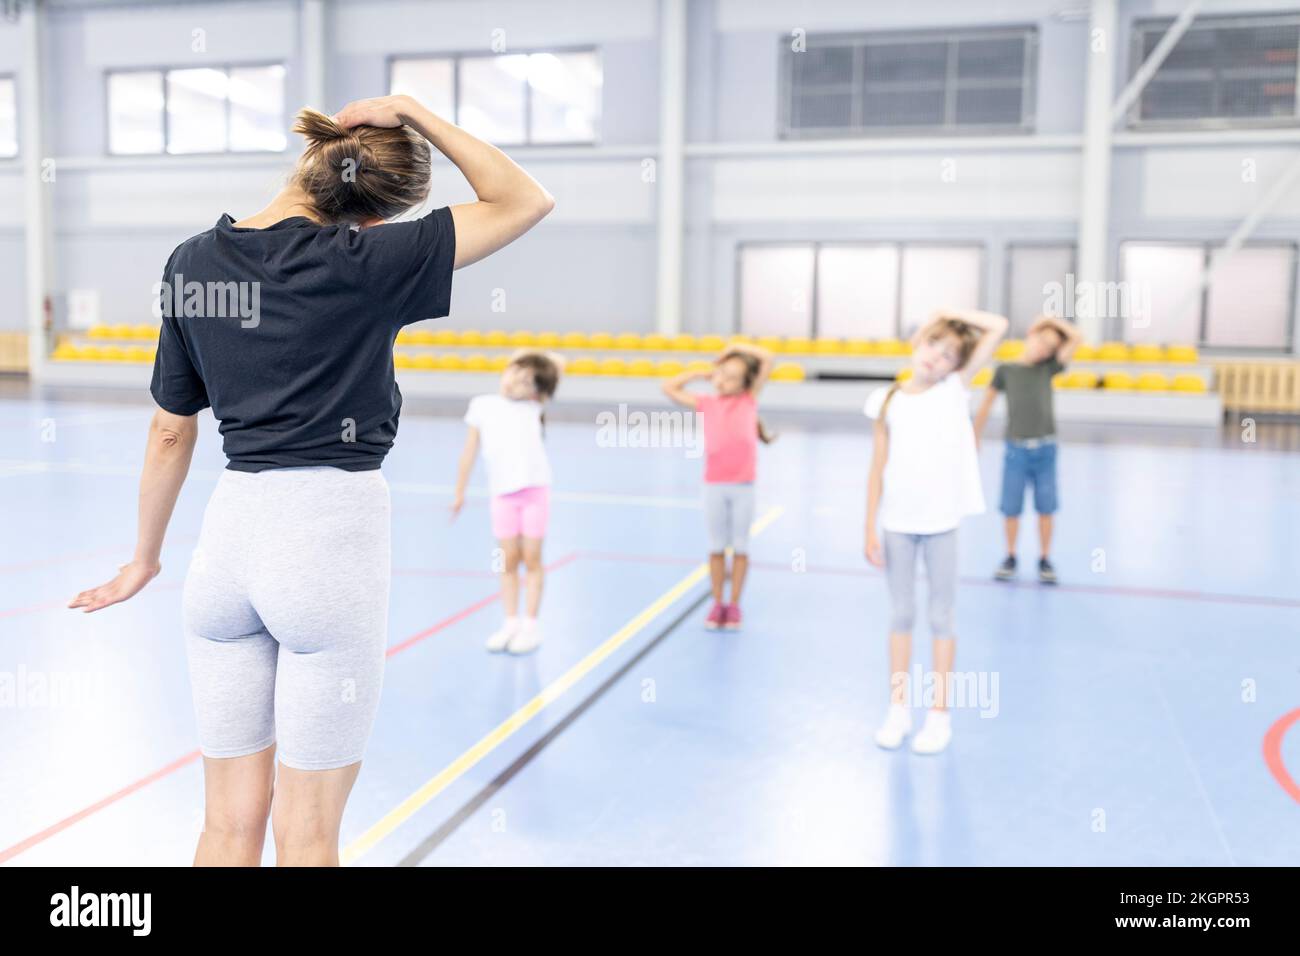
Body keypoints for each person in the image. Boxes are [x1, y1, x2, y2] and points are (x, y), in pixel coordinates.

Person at [68, 94, 554, 866]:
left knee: (226, 827)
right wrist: (416, 112)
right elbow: (524, 198)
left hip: (224, 552)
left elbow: (169, 430)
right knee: (308, 835)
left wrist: (143, 557)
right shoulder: (368, 262)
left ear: (312, 159)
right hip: (331, 543)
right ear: (371, 217)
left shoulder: (191, 262)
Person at [864, 309, 1008, 754]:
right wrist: (869, 524)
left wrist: (948, 313)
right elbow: (877, 466)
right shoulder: (887, 399)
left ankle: (939, 716)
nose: (937, 358)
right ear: (917, 342)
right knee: (901, 615)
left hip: (941, 523)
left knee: (942, 617)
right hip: (897, 524)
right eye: (933, 344)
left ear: (955, 367)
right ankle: (898, 710)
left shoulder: (953, 391)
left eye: (949, 356)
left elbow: (998, 326)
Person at [450, 350, 562, 654]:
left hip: (535, 492)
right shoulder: (482, 406)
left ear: (536, 390)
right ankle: (510, 622)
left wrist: (535, 366)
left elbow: (556, 365)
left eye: (526, 381)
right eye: (514, 373)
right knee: (508, 560)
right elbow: (469, 451)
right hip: (502, 494)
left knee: (532, 559)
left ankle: (531, 626)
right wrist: (460, 491)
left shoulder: (533, 407)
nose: (515, 383)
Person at [662, 343, 774, 631]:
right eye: (721, 374)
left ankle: (734, 604)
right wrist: (701, 373)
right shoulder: (706, 402)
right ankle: (717, 602)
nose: (723, 381)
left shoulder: (749, 399)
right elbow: (668, 387)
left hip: (743, 486)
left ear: (745, 384)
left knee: (739, 547)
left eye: (732, 377)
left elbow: (768, 358)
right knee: (715, 547)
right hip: (714, 485)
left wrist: (733, 348)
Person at [973, 315, 1083, 585]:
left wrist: (1052, 321)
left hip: (1045, 449)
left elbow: (1077, 339)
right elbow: (986, 404)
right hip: (1016, 450)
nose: (1044, 349)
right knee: (1011, 507)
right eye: (1042, 342)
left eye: (1051, 347)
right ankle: (1010, 556)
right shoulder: (1006, 370)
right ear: (1030, 336)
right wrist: (975, 436)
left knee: (1046, 506)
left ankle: (1045, 558)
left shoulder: (1049, 368)